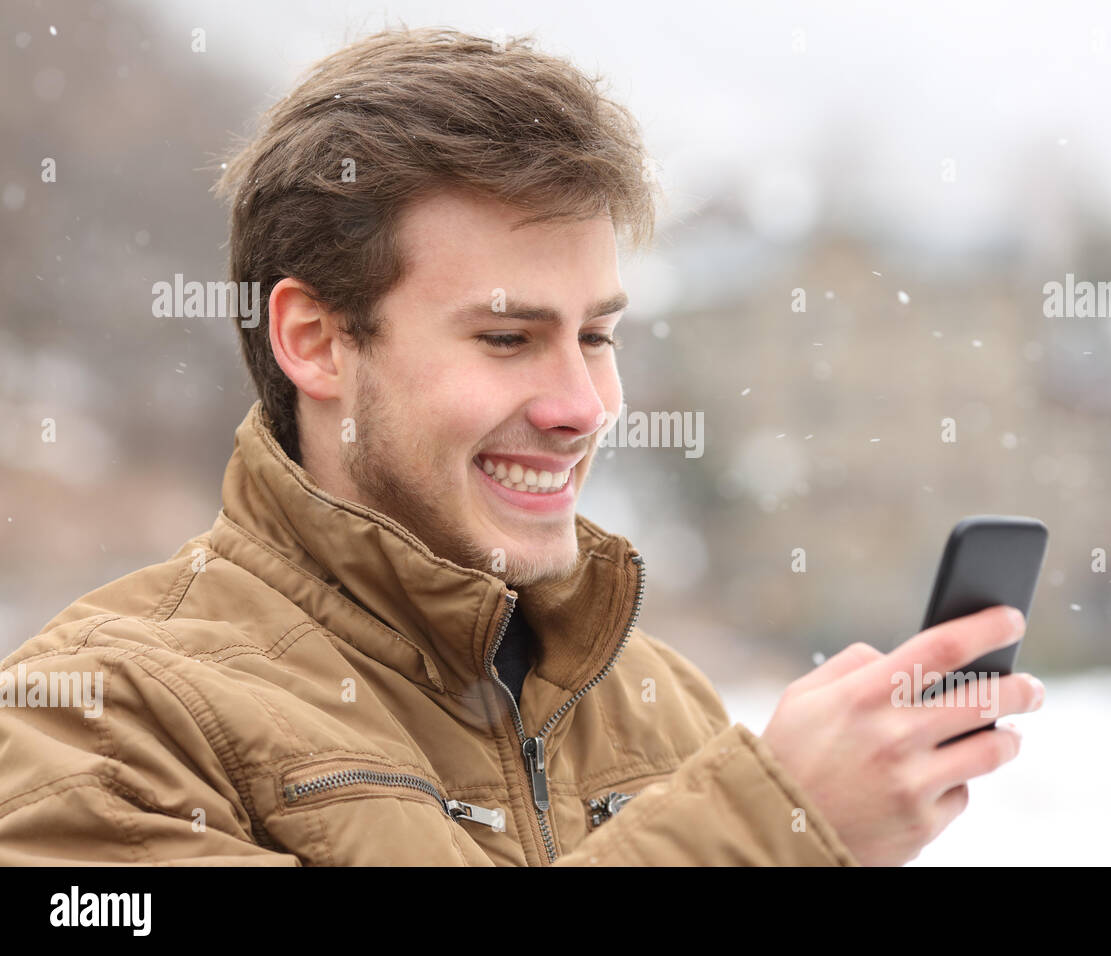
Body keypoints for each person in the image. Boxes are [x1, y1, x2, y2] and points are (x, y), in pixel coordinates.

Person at [0, 27, 1044, 866]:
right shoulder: (97, 719)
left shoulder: (659, 700)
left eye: (595, 335)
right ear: (314, 341)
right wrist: (767, 830)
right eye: (508, 338)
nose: (582, 404)